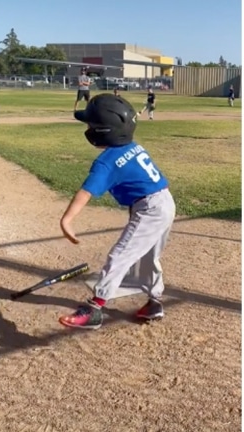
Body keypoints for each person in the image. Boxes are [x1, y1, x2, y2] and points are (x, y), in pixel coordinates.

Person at [57, 94, 176, 329]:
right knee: (148, 256)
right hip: (165, 202)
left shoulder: (107, 162)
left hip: (149, 208)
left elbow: (86, 192)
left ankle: (95, 308)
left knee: (120, 255)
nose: (89, 128)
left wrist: (67, 220)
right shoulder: (134, 146)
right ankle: (154, 302)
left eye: (91, 125)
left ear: (102, 131)